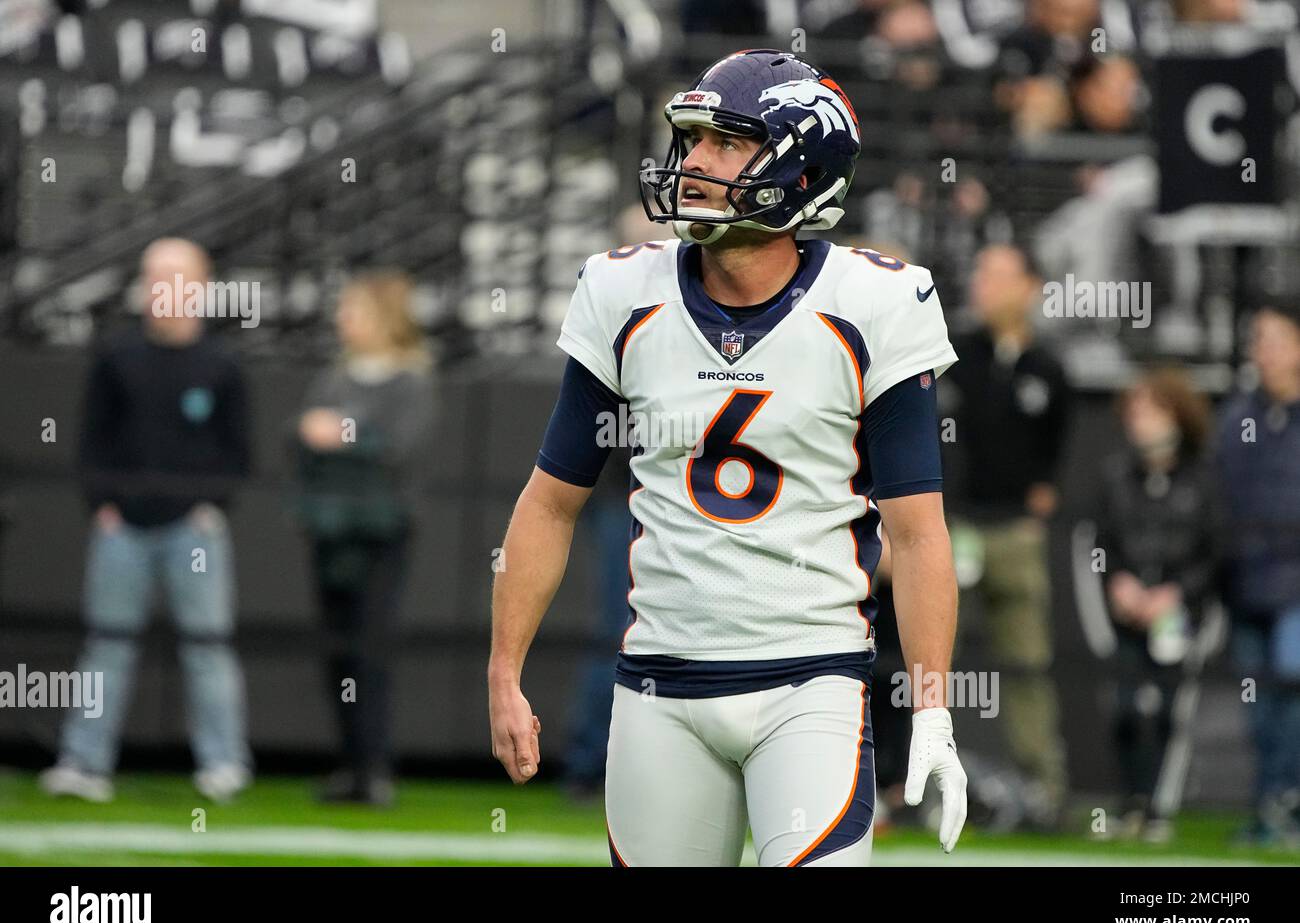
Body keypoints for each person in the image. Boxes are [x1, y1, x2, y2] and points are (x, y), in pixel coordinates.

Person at [488, 49, 968, 866]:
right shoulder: (621, 292)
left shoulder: (874, 303)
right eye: (694, 139)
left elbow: (918, 533)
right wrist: (505, 669)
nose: (695, 161)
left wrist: (932, 708)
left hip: (811, 683)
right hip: (657, 686)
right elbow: (549, 500)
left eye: (726, 143)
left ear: (801, 161)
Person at [40, 237, 253, 803]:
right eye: (155, 276)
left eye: (178, 276)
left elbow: (239, 452)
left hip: (194, 532)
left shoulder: (222, 364)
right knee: (107, 643)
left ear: (202, 288)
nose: (165, 289)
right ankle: (84, 763)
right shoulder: (116, 356)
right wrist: (103, 505)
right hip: (123, 530)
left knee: (208, 645)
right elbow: (91, 440)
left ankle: (224, 763)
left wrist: (210, 507)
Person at [291, 271, 435, 805]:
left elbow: (395, 446)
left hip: (380, 536)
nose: (341, 319)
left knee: (371, 649)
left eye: (351, 309)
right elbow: (301, 436)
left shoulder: (411, 381)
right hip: (332, 532)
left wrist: (343, 433)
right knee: (337, 649)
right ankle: (349, 764)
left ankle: (374, 768)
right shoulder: (335, 377)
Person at [941, 242, 1071, 829]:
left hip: (1015, 533)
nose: (983, 286)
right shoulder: (950, 355)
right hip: (954, 531)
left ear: (1030, 286)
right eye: (980, 273)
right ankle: (916, 782)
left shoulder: (1049, 368)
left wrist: (1041, 489)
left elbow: (1054, 454)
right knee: (929, 661)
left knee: (1027, 663)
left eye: (998, 275)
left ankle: (1045, 791)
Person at [1095, 368, 1219, 842]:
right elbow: (1098, 544)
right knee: (1126, 707)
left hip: (1182, 617)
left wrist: (1176, 594)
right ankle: (1130, 804)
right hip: (1126, 616)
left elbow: (1214, 550)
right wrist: (1120, 584)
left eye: (1152, 410)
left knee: (1168, 708)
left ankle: (1160, 810)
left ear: (1177, 415)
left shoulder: (1204, 477)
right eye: (1134, 411)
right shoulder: (1115, 476)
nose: (1140, 421)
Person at [1214, 297, 1300, 845]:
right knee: (1257, 703)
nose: (1260, 351)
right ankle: (1270, 804)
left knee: (1292, 691)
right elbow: (1218, 499)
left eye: (1272, 338)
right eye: (1256, 340)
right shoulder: (1237, 416)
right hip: (1244, 585)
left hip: (1297, 589)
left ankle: (1286, 803)